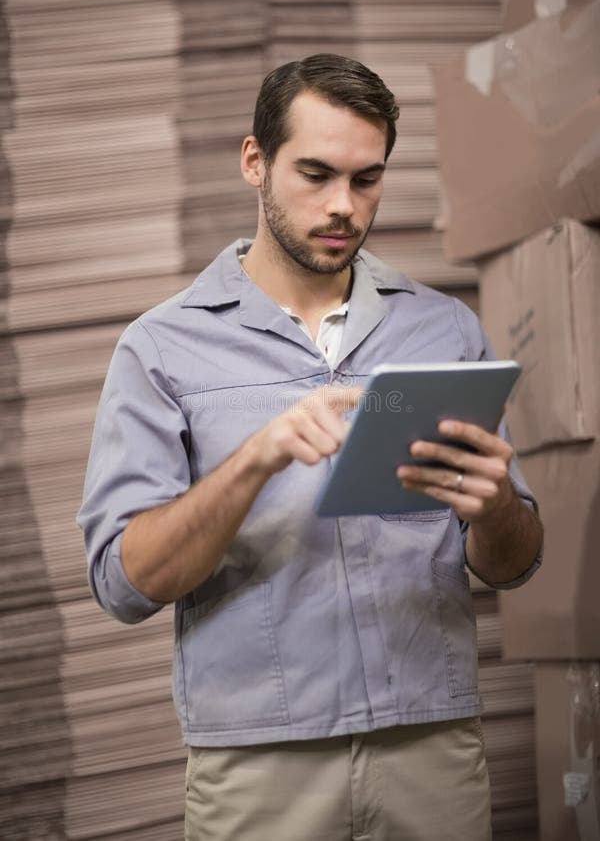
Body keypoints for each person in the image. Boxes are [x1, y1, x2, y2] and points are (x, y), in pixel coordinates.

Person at [78, 54, 543, 841]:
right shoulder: (162, 348)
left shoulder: (443, 331)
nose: (343, 206)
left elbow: (513, 562)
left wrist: (496, 503)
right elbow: (126, 584)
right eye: (317, 173)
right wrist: (255, 459)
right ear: (254, 161)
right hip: (260, 769)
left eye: (367, 180)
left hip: (430, 748)